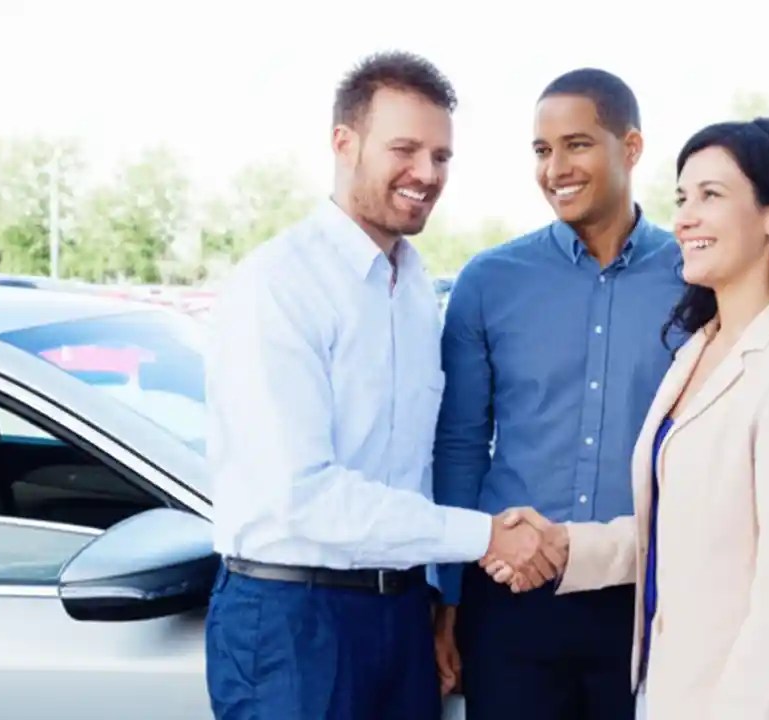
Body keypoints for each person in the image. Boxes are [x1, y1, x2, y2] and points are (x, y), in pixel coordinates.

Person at [203, 50, 549, 720]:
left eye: (442, 156)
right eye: (405, 148)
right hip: (292, 623)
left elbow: (417, 467)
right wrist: (486, 537)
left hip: (399, 614)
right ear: (344, 142)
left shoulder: (415, 289)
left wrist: (433, 599)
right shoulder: (277, 285)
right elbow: (302, 495)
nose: (426, 173)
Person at [486, 118, 769, 719]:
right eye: (682, 197)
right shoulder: (697, 350)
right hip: (669, 693)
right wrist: (567, 545)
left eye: (711, 196)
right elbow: (687, 532)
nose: (685, 217)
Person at [432, 68, 686, 719]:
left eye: (576, 144)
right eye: (542, 151)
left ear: (630, 148)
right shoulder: (488, 282)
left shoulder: (695, 279)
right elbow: (461, 444)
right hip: (510, 599)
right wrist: (448, 597)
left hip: (646, 596)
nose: (555, 168)